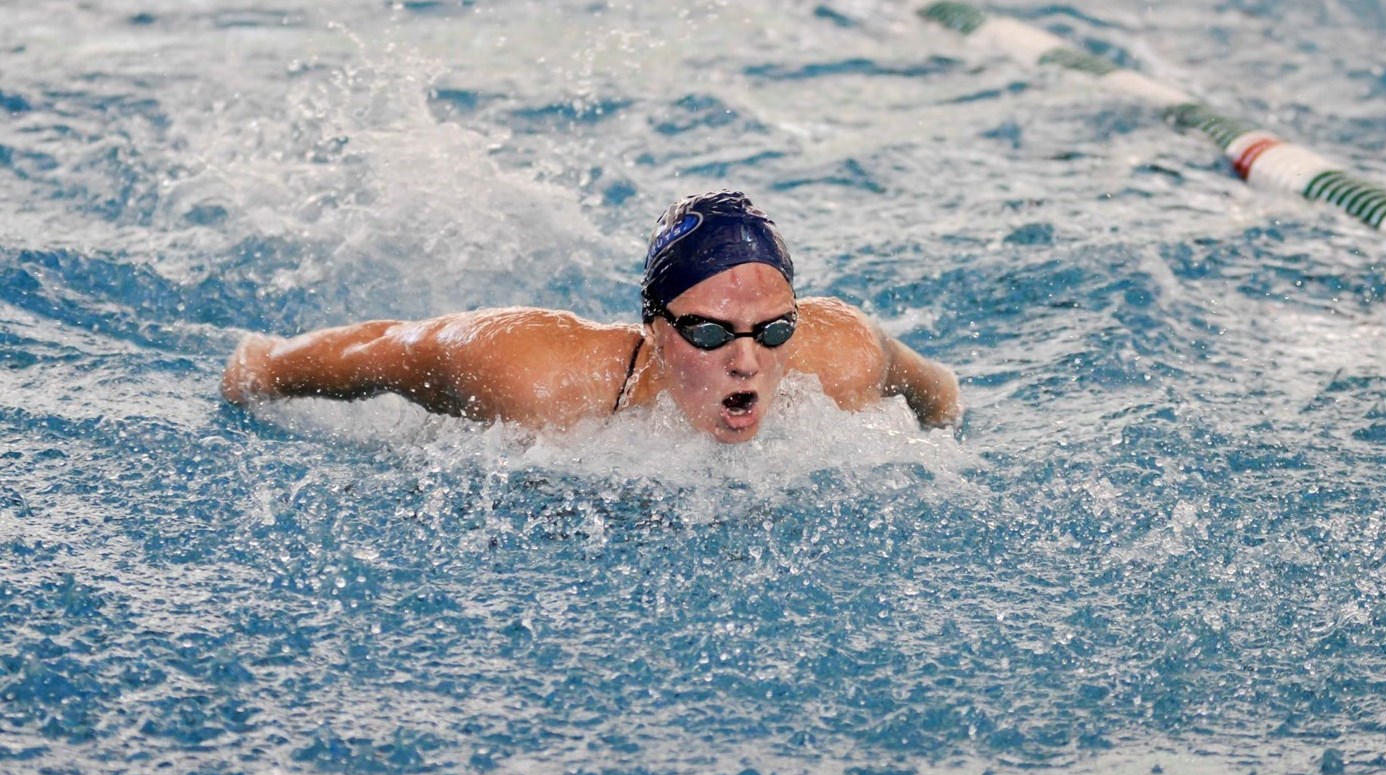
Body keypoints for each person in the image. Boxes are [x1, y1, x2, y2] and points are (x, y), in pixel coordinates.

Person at [221, 191, 960, 443]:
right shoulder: (530, 373)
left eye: (771, 331)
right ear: (654, 328)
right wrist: (259, 371)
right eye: (706, 332)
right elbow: (382, 350)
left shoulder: (840, 353)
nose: (746, 361)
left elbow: (940, 397)